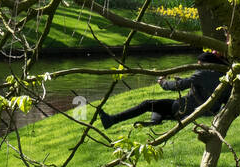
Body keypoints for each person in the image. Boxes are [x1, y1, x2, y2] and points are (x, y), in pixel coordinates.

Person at [98, 51, 230, 128]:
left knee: (147, 104)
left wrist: (163, 83)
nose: (197, 66)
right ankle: (154, 121)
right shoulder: (224, 76)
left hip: (185, 109)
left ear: (206, 64)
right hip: (208, 111)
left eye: (199, 64)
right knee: (162, 105)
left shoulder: (203, 73)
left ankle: (113, 120)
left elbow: (179, 86)